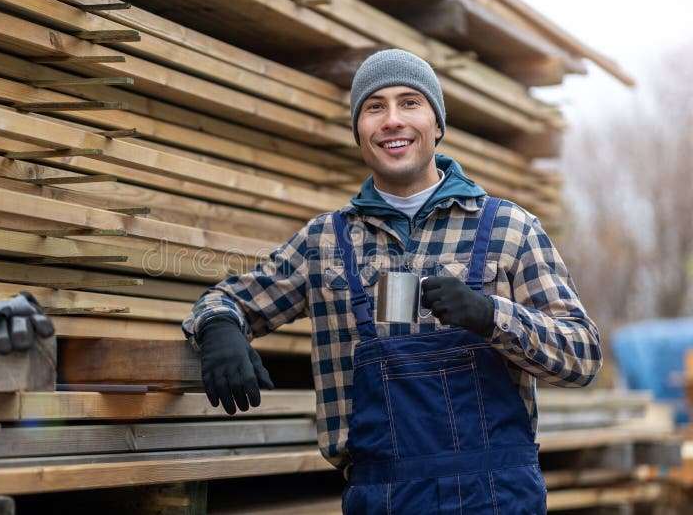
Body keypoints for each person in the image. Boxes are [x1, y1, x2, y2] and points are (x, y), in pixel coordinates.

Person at [182, 49, 601, 514]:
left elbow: (582, 355)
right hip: (382, 498)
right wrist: (219, 326)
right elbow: (227, 300)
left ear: (437, 124)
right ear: (359, 132)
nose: (392, 120)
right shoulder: (325, 242)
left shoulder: (510, 228)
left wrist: (491, 316)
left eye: (410, 103)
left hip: (499, 498)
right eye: (374, 107)